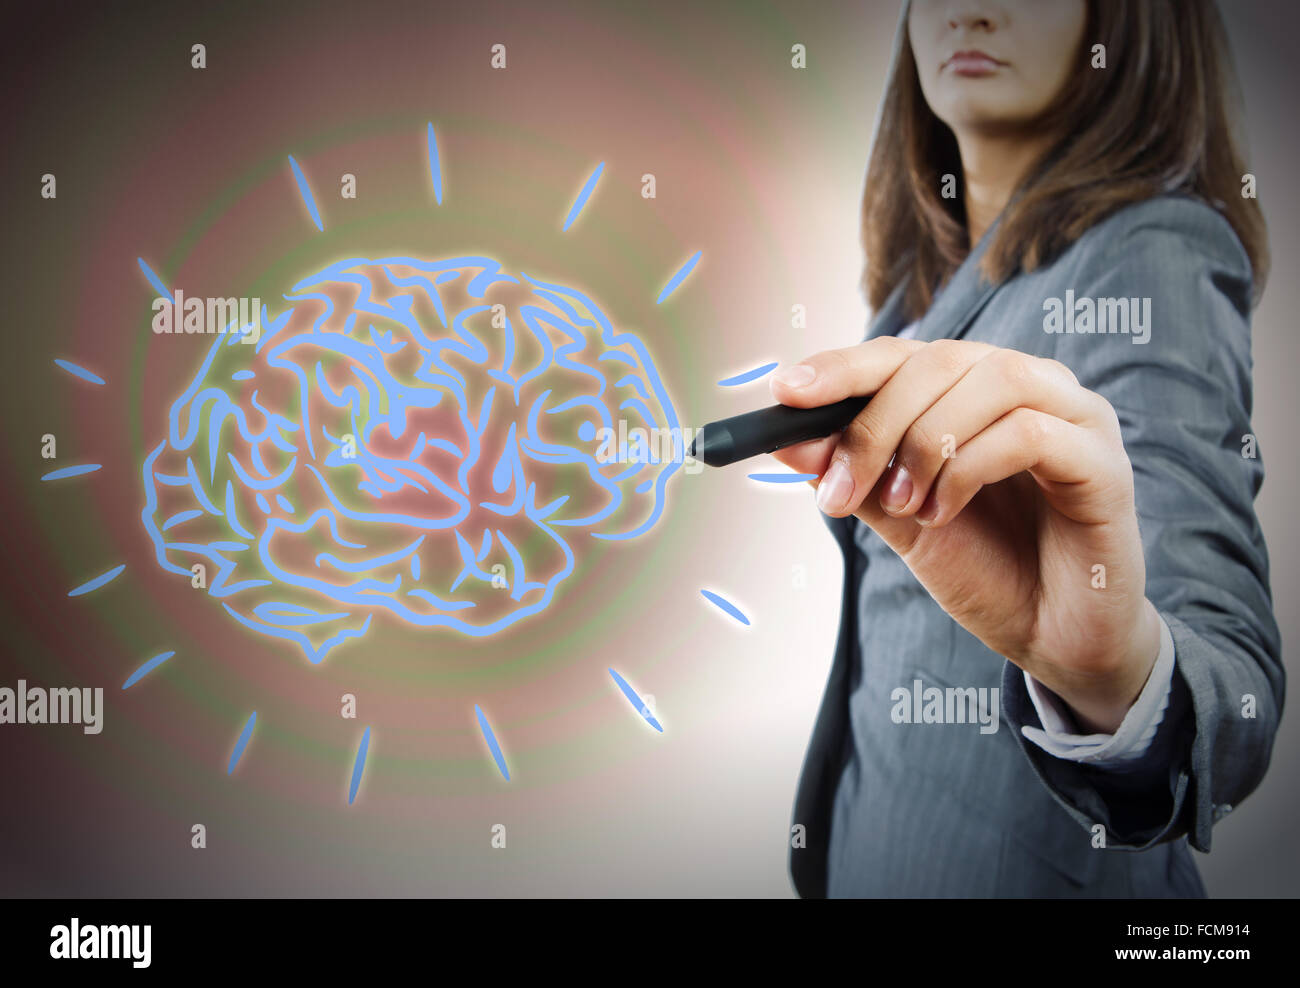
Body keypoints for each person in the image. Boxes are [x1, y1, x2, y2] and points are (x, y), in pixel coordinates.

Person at [773, 0, 1283, 897]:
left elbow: (1231, 685)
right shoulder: (916, 297)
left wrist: (1115, 668)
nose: (971, 9)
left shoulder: (1150, 255)